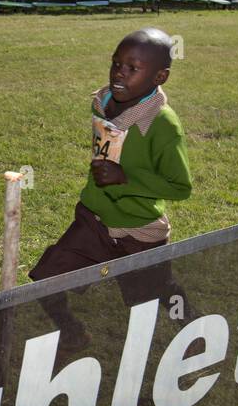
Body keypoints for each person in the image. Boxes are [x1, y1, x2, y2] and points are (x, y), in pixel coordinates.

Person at [28, 28, 192, 352]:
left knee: (157, 295)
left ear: (161, 76)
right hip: (95, 219)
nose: (120, 73)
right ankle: (72, 333)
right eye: (116, 63)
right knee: (48, 278)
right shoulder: (101, 104)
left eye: (133, 68)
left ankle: (197, 330)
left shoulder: (163, 124)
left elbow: (180, 187)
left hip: (139, 229)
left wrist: (125, 179)